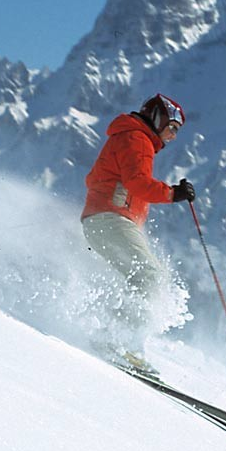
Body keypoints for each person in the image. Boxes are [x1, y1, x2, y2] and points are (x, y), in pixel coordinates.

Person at [81, 93, 196, 371]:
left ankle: (115, 338)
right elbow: (137, 183)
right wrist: (173, 193)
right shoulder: (137, 139)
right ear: (158, 119)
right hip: (110, 219)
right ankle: (116, 342)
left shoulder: (133, 137)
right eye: (172, 128)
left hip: (105, 219)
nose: (172, 137)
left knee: (149, 278)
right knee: (150, 276)